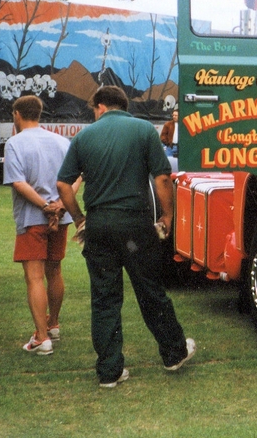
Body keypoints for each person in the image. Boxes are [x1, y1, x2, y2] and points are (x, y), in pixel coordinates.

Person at [56, 86, 195, 387]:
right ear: (123, 106)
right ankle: (174, 353)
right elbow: (161, 178)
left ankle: (109, 371)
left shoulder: (83, 137)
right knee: (149, 290)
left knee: (105, 299)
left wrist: (80, 218)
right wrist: (168, 215)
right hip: (134, 230)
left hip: (99, 229)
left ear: (101, 107)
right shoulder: (144, 129)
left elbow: (63, 185)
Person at [3, 95, 76, 356]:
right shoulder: (61, 141)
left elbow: (18, 182)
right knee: (55, 272)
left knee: (34, 278)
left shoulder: (14, 143)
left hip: (32, 219)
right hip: (61, 217)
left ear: (17, 114)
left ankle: (41, 338)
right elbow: (77, 176)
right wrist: (61, 205)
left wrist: (45, 207)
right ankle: (53, 325)